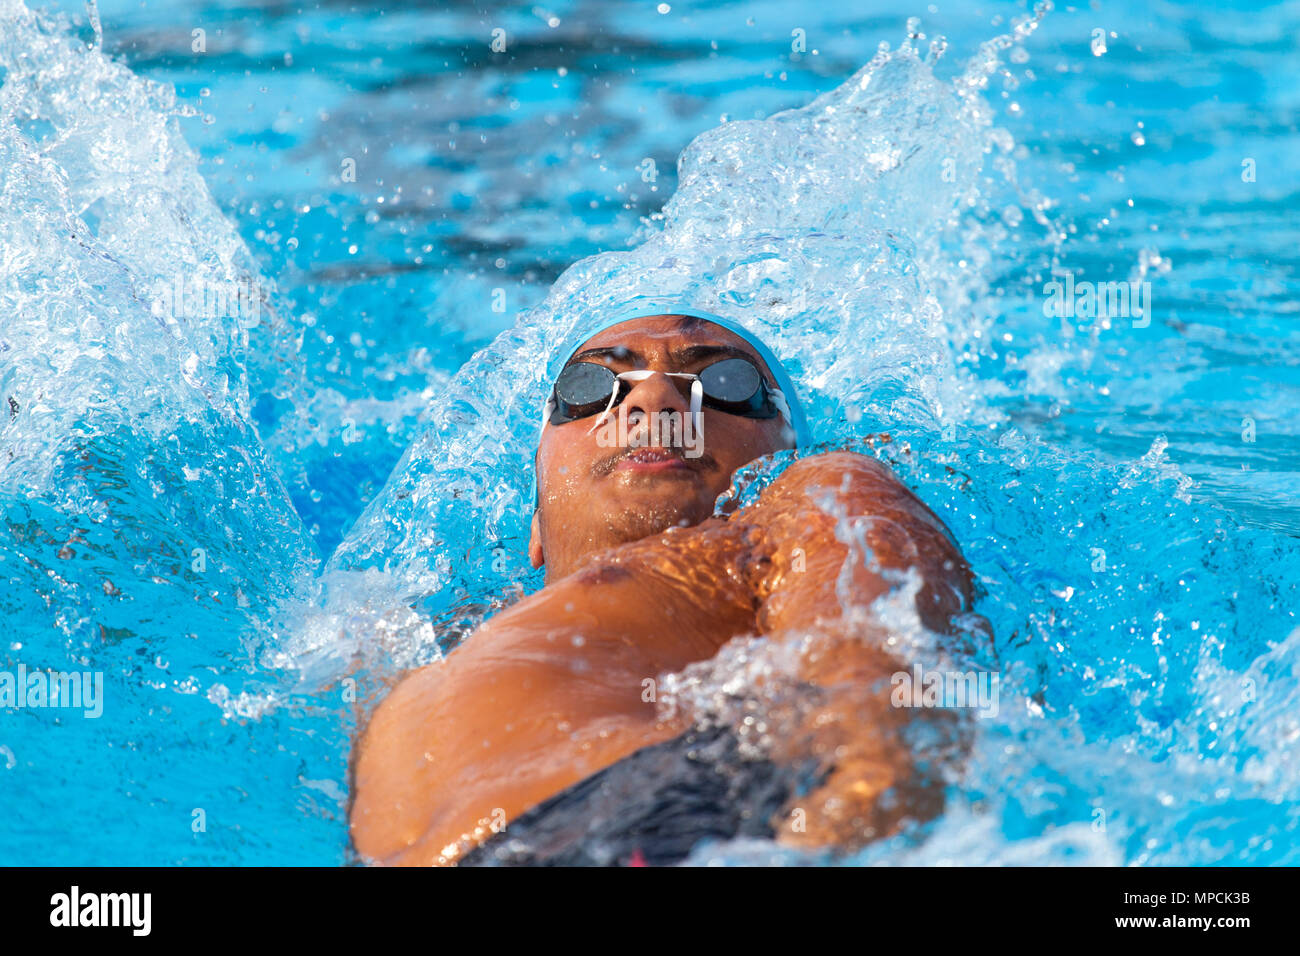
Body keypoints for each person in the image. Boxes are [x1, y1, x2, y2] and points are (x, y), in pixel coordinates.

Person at [349, 309, 979, 866]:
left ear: (784, 454)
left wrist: (858, 794)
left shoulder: (816, 495)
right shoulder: (433, 633)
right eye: (589, 387)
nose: (653, 402)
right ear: (534, 525)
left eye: (727, 383)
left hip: (642, 818)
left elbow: (872, 660)